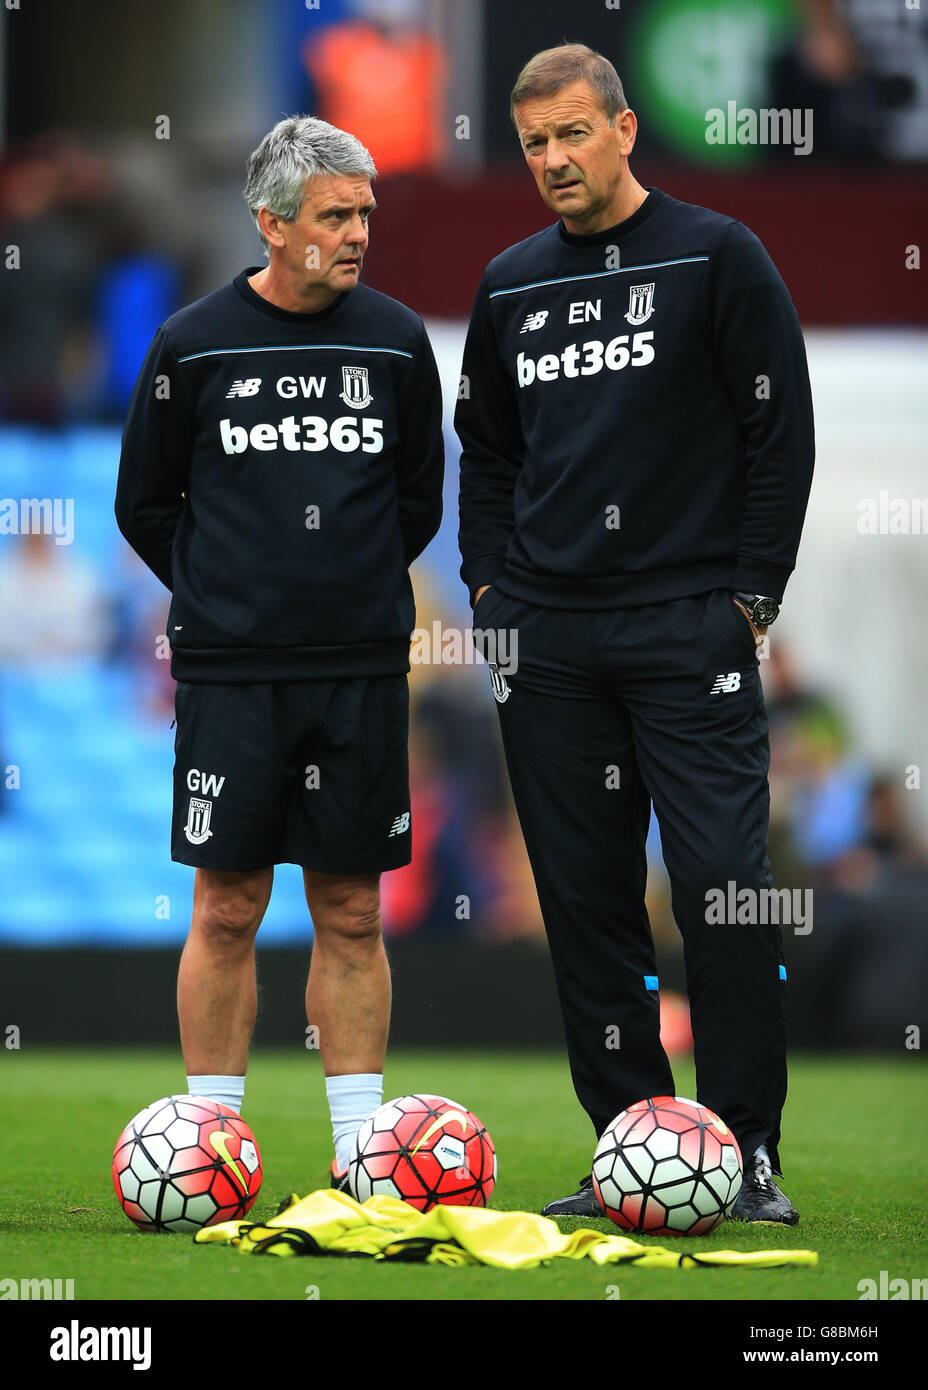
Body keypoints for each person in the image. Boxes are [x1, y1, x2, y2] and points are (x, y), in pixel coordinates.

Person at [456, 44, 814, 1223]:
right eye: (532, 145)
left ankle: (745, 1153)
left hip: (686, 627)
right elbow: (490, 461)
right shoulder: (506, 282)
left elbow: (780, 437)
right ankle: (628, 1151)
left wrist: (749, 600)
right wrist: (493, 600)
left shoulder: (718, 255)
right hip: (548, 640)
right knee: (587, 906)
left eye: (570, 134)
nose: (552, 161)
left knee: (722, 890)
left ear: (621, 129)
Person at [115, 115, 444, 1186]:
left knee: (351, 908)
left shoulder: (395, 342)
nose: (357, 233)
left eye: (365, 214)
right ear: (271, 222)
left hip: (357, 670)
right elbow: (145, 505)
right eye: (335, 215)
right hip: (231, 674)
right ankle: (214, 1144)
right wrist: (234, 598)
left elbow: (415, 505)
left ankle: (361, 1154)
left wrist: (335, 594)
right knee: (228, 903)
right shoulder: (191, 345)